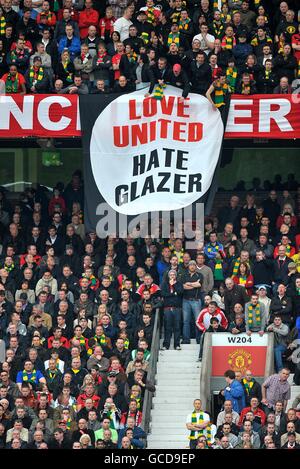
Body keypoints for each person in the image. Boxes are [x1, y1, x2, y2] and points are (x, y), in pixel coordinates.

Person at [160, 269, 183, 351]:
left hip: (177, 308)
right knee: (167, 327)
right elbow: (163, 294)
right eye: (171, 275)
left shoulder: (179, 283)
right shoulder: (164, 284)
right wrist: (173, 294)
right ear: (168, 276)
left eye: (174, 274)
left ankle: (177, 345)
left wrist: (174, 285)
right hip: (167, 308)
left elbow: (180, 292)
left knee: (177, 327)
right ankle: (166, 345)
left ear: (176, 276)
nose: (172, 276)